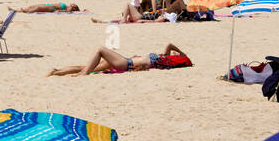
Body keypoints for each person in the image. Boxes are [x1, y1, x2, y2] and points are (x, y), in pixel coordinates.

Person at [47, 42, 192, 76]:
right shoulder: (162, 58)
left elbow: (170, 45)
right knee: (86, 66)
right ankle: (56, 71)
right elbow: (169, 46)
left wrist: (182, 54)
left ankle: (82, 74)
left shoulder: (162, 60)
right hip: (124, 62)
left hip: (125, 63)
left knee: (100, 49)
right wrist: (181, 55)